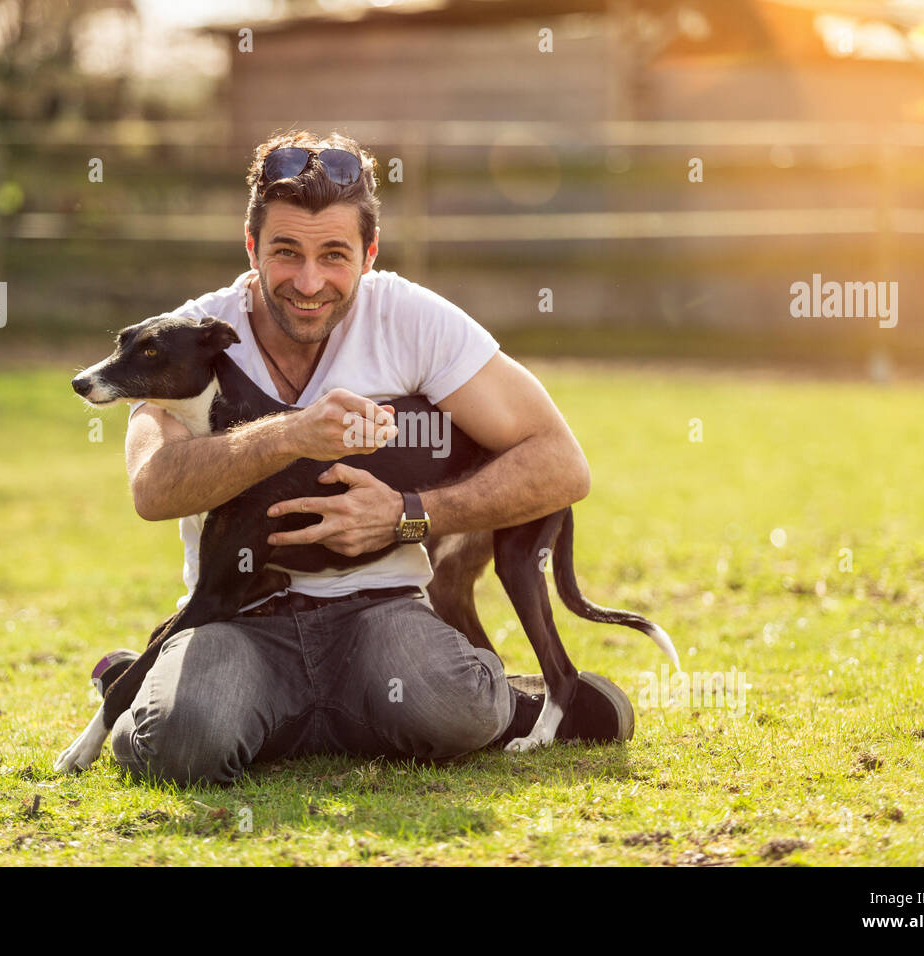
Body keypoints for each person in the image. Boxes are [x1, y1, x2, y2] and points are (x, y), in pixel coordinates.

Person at [104, 130, 630, 786]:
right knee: (184, 743)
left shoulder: (409, 318)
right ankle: (150, 687)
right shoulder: (190, 337)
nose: (309, 281)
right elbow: (153, 488)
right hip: (239, 619)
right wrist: (287, 435)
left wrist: (408, 515)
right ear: (251, 247)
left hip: (378, 614)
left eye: (335, 255)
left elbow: (560, 463)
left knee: (450, 708)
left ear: (369, 254)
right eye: (286, 253)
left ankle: (341, 713)